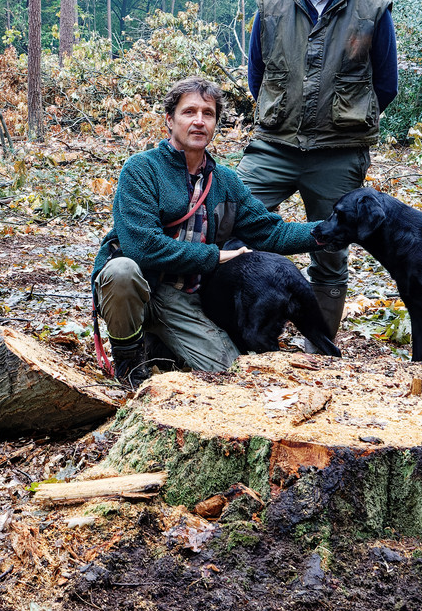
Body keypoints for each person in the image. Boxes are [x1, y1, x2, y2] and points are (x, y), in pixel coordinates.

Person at [91, 76, 323, 387]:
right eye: (189, 112)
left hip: (182, 299)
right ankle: (129, 360)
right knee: (121, 270)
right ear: (169, 121)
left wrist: (331, 231)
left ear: (215, 124)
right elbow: (143, 247)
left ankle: (162, 347)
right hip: (137, 290)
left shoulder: (225, 181)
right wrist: (214, 256)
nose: (199, 121)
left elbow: (271, 232)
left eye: (208, 114)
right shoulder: (141, 169)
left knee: (228, 376)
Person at [237, 0, 399, 346]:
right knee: (230, 218)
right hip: (274, 147)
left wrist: (344, 121)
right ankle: (232, 324)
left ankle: (317, 346)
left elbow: (385, 83)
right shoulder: (270, 7)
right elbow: (258, 77)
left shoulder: (372, 8)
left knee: (330, 251)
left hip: (339, 153)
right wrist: (283, 116)